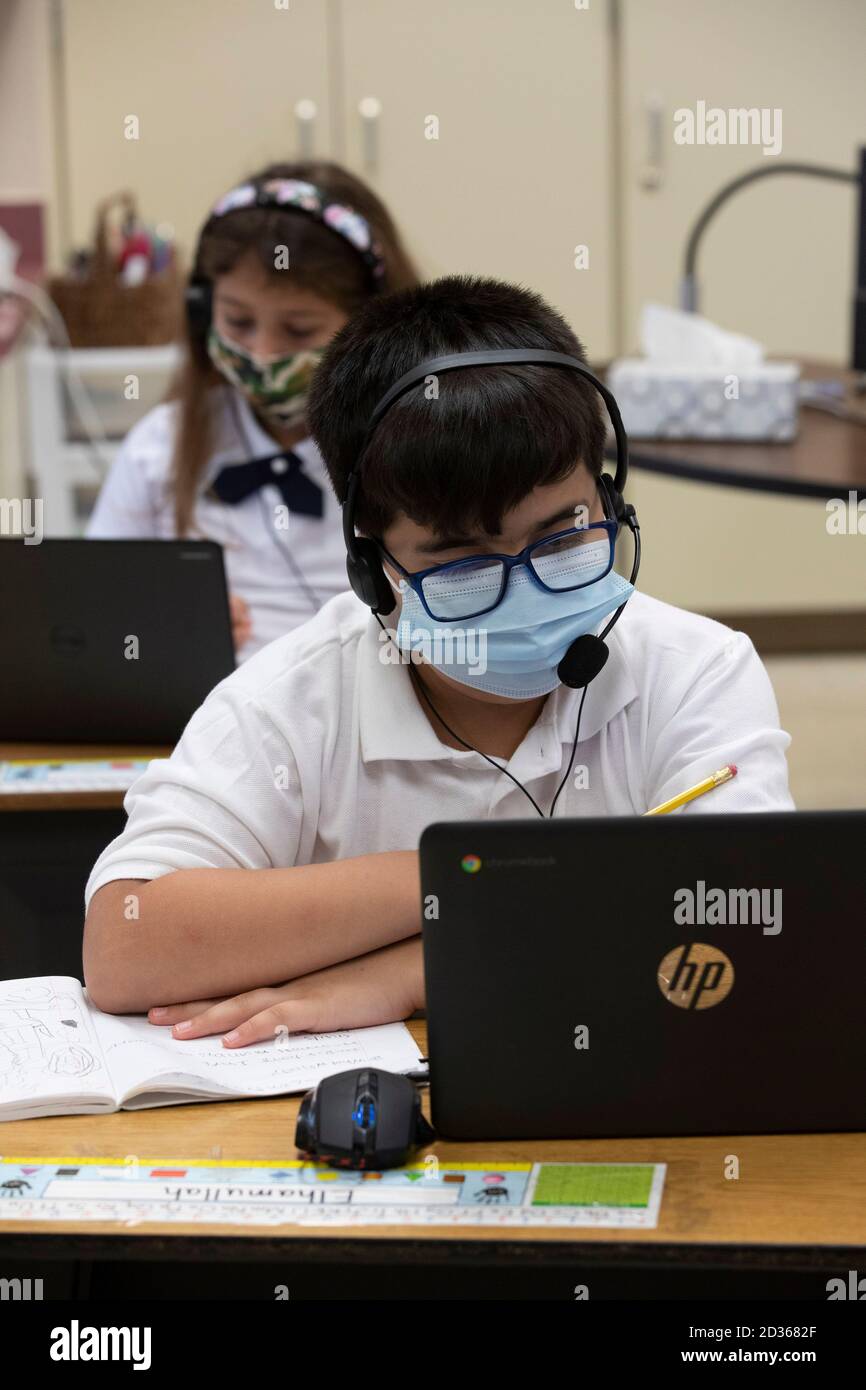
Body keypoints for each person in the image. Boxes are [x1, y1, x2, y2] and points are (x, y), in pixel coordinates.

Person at [83, 275, 794, 1040]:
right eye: (463, 563)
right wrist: (462, 877)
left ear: (611, 500)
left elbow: (753, 929)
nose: (527, 584)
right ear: (372, 570)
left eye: (564, 535)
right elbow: (127, 945)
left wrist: (408, 972)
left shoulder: (695, 670)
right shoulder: (291, 699)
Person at [86, 161, 419, 657]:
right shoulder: (158, 448)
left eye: (300, 330)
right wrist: (160, 619)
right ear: (203, 311)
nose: (263, 354)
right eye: (239, 322)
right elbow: (94, 611)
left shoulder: (416, 447)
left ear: (372, 326)